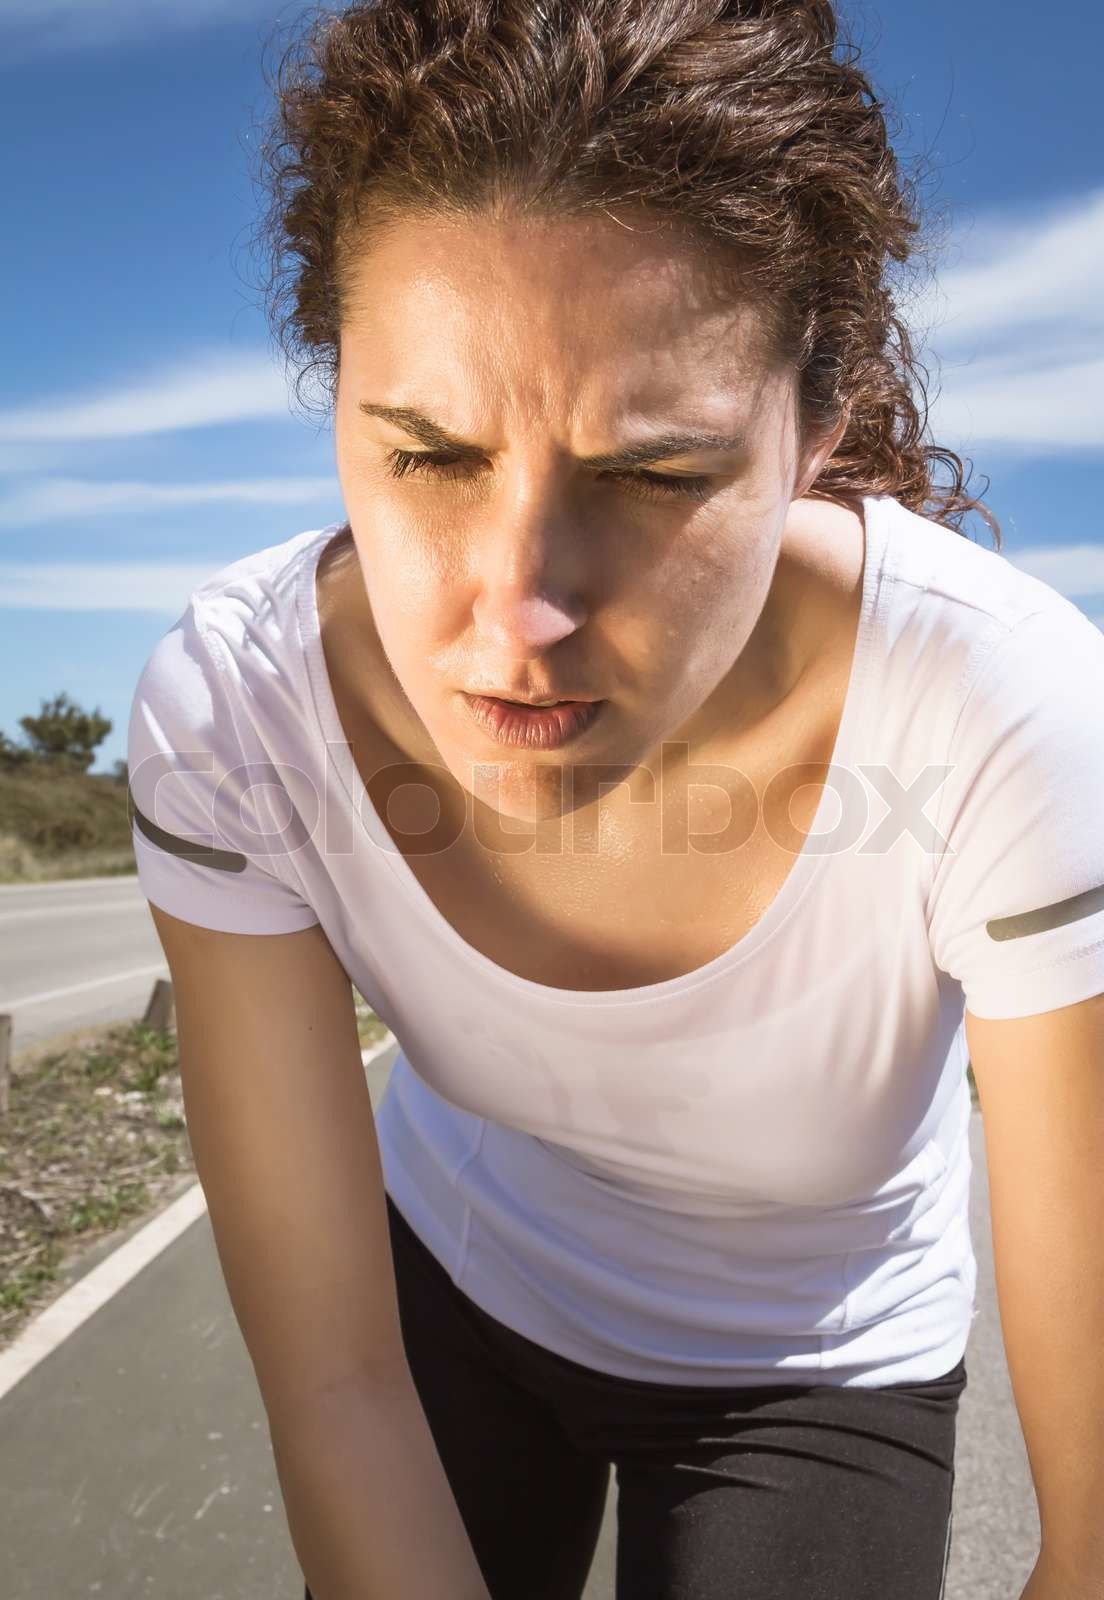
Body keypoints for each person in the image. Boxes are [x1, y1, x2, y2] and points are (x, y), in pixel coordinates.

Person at [126, 3, 1104, 1598]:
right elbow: (333, 1384)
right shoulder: (239, 708)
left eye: (654, 477)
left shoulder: (1014, 717)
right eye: (431, 456)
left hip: (823, 1364)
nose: (517, 613)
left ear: (819, 431)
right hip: (452, 1291)